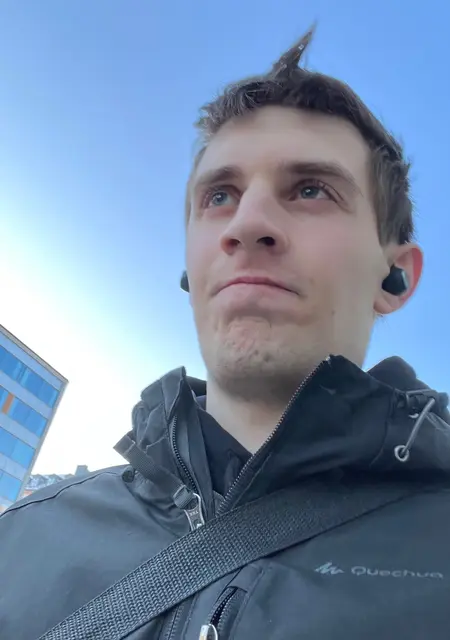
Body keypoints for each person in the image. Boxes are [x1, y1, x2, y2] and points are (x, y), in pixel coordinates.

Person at [1, 28, 450, 640]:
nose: (247, 222)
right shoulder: (20, 540)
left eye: (311, 189)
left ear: (395, 277)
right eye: (220, 196)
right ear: (191, 267)